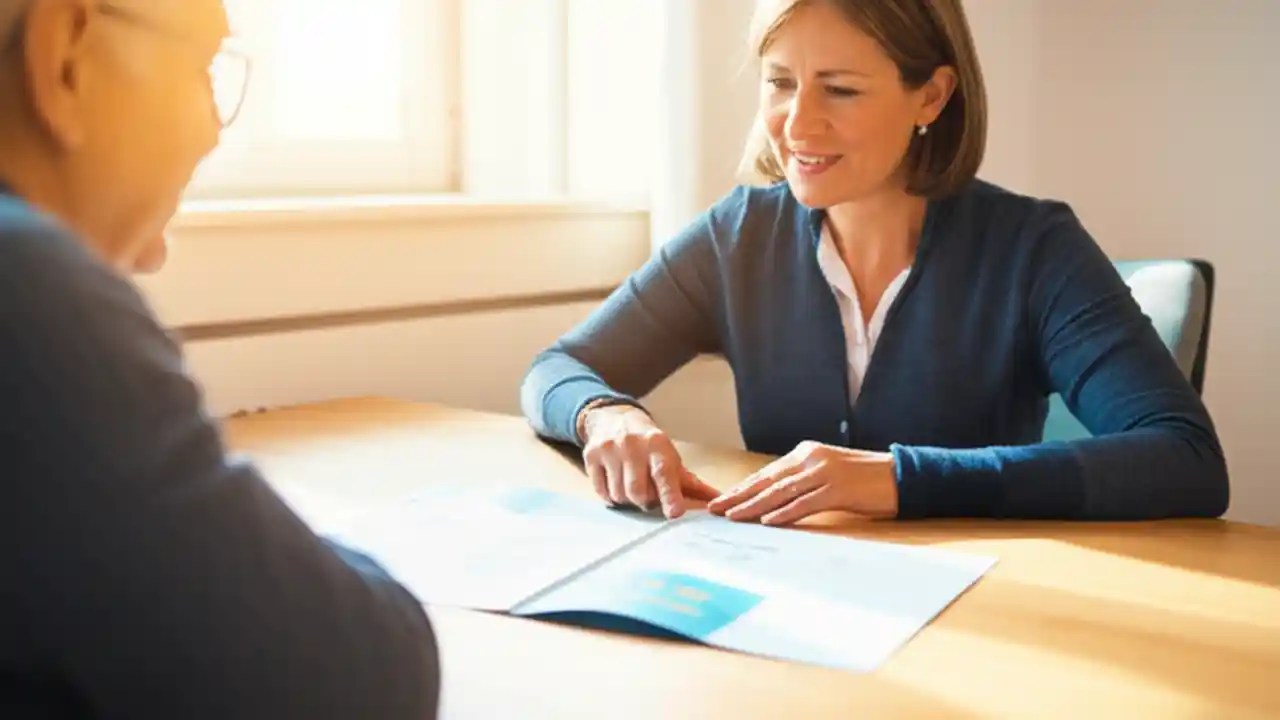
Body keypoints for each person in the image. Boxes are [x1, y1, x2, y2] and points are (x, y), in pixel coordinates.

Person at [521, 0, 1229, 525]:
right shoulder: (737, 237)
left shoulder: (1033, 250)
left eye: (841, 88)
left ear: (931, 95)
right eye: (779, 82)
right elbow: (557, 369)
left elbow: (1185, 459)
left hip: (985, 618)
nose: (797, 123)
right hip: (790, 604)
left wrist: (898, 479)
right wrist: (604, 414)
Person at [0, 1, 439, 717]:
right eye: (204, 67)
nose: (212, 129)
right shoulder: (25, 287)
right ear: (63, 52)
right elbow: (369, 677)